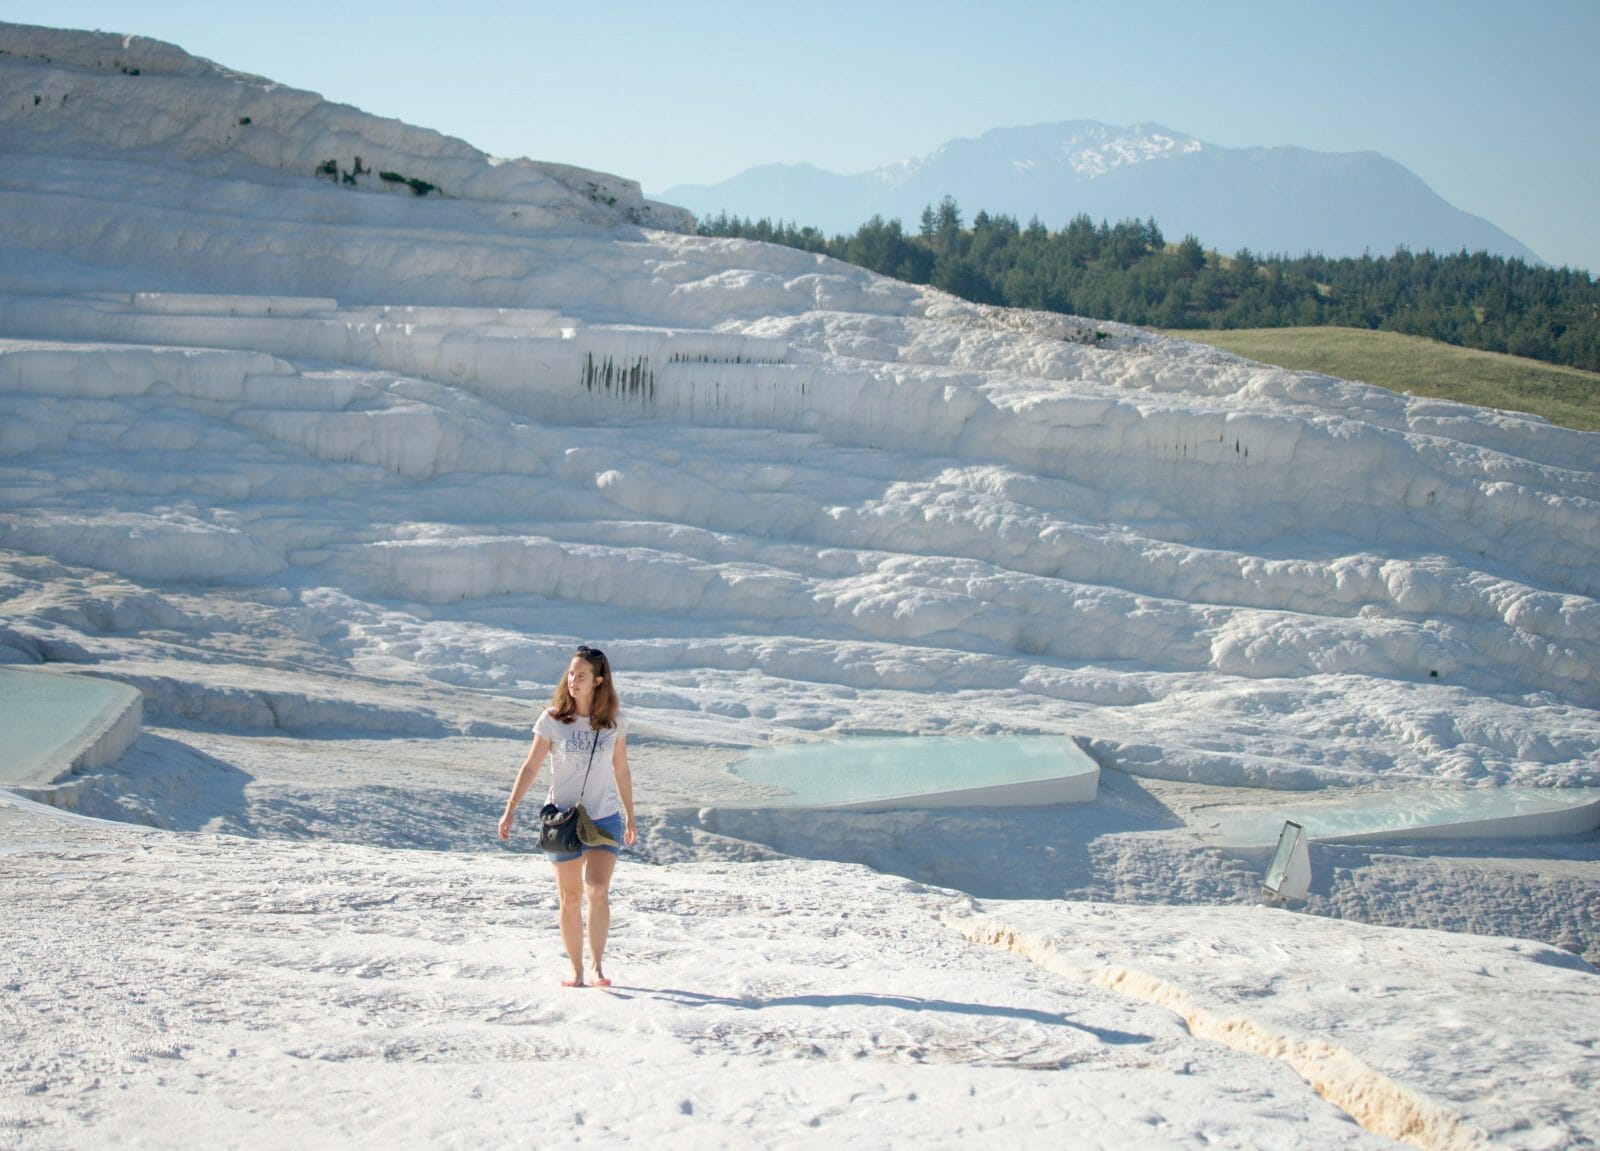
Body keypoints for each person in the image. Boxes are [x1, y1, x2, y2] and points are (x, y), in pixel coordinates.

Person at [498, 645, 637, 987]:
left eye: (582, 675)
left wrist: (631, 816)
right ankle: (576, 970)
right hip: (562, 821)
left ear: (599, 681)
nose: (574, 680)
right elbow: (530, 766)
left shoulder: (614, 722)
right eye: (571, 674)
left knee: (599, 889)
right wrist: (511, 808)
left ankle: (597, 967)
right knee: (571, 897)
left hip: (603, 817)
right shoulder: (552, 719)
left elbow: (621, 770)